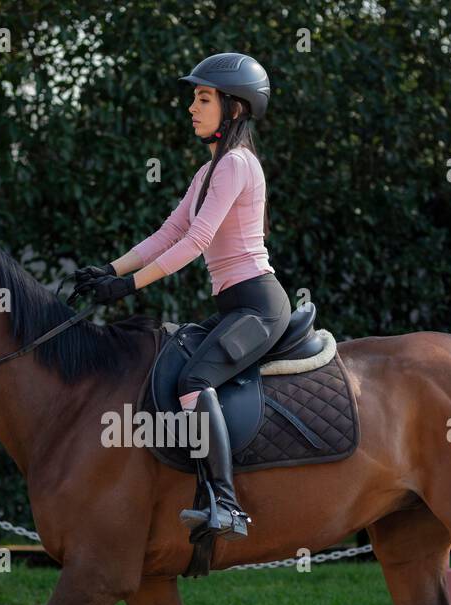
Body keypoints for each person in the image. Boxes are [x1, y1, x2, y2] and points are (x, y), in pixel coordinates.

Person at [74, 52, 290, 540]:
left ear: (234, 108)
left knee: (195, 380)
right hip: (234, 306)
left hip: (259, 306)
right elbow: (168, 233)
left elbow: (195, 244)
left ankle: (227, 505)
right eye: (194, 98)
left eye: (203, 98)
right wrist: (108, 269)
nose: (192, 107)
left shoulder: (236, 165)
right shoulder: (208, 171)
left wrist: (127, 286)